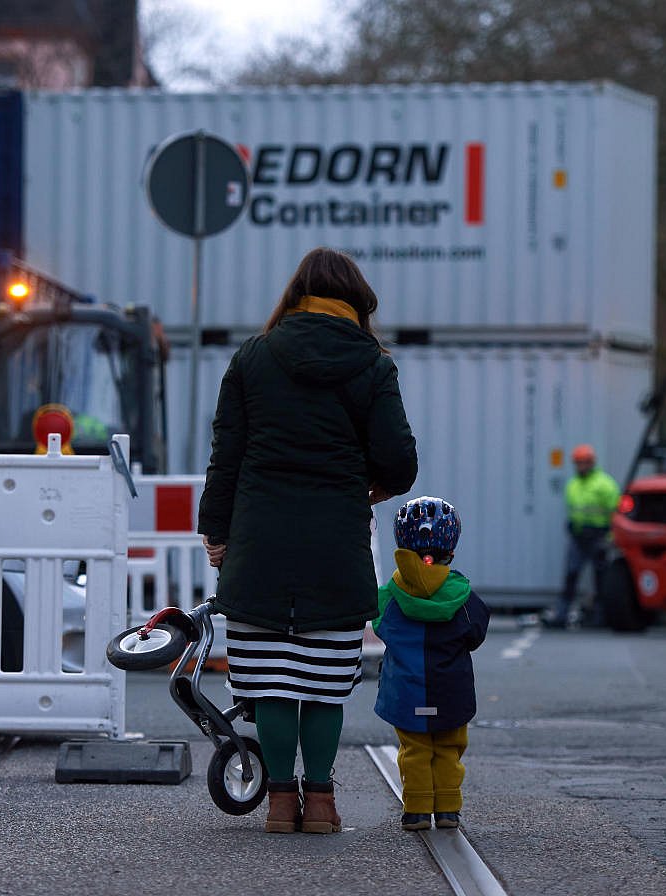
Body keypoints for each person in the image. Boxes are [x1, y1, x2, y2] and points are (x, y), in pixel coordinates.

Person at [197, 246, 418, 834]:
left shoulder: (253, 358)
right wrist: (365, 487)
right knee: (322, 685)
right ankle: (320, 803)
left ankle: (277, 802)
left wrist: (217, 533)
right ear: (356, 301)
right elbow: (400, 460)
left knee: (271, 682)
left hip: (259, 544)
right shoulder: (372, 364)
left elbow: (227, 457)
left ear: (295, 295)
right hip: (335, 545)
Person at [373, 496, 490, 831]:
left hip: (407, 692)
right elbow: (476, 634)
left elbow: (380, 626)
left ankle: (417, 810)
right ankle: (449, 809)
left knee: (414, 749)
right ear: (451, 551)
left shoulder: (389, 595)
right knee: (449, 748)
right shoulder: (463, 595)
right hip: (450, 692)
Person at [546, 443, 620, 628]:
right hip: (579, 538)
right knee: (570, 577)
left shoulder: (605, 485)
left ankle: (601, 617)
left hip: (599, 538)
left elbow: (616, 514)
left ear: (592, 463)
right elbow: (574, 510)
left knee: (601, 579)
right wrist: (571, 525)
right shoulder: (573, 485)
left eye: (585, 462)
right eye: (578, 463)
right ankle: (562, 616)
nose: (581, 466)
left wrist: (609, 539)